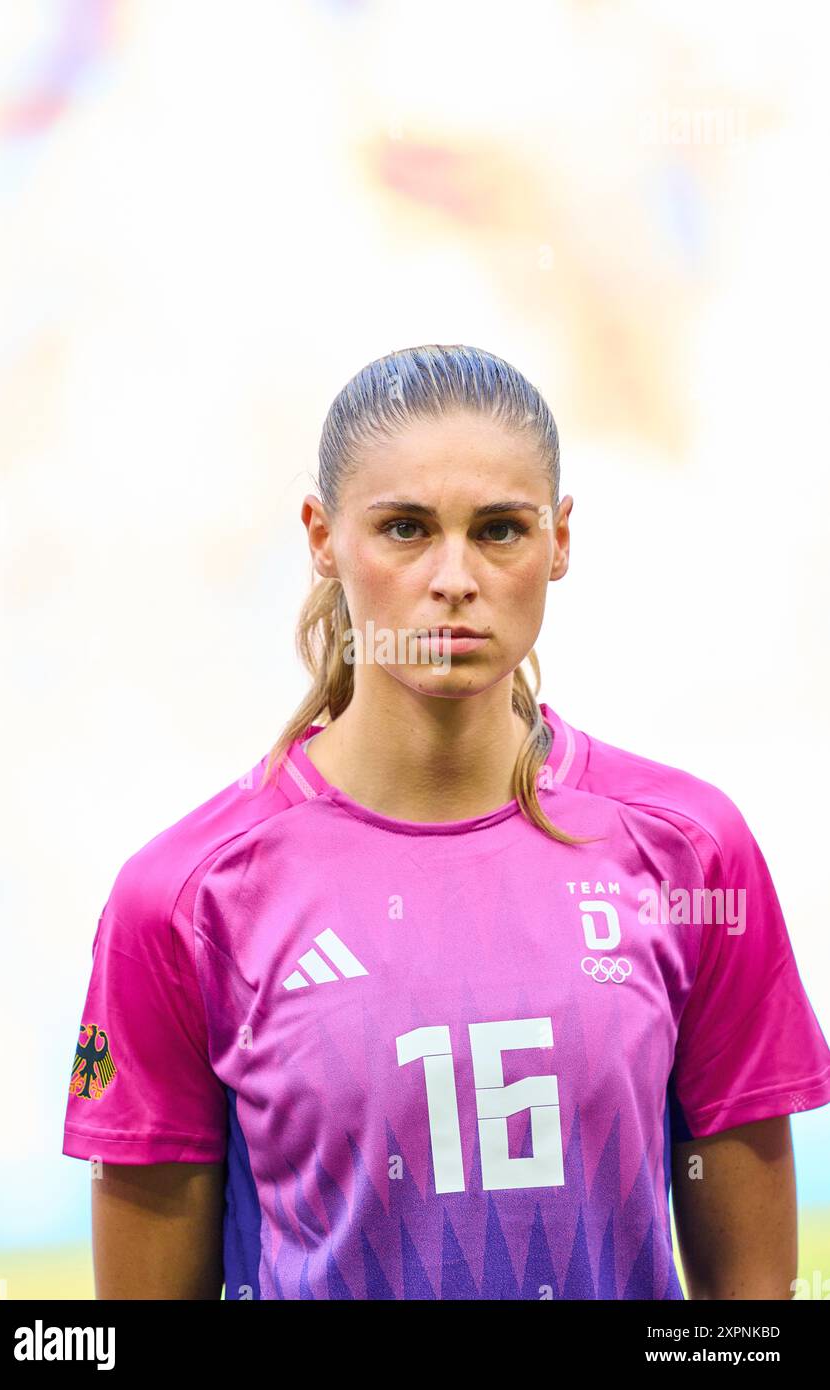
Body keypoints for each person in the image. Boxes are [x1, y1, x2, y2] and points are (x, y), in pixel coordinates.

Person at [63, 344, 830, 1300]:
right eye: (406, 529)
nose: (455, 577)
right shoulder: (182, 900)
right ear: (321, 535)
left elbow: (749, 1308)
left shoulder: (692, 853)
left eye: (501, 530)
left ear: (559, 541)